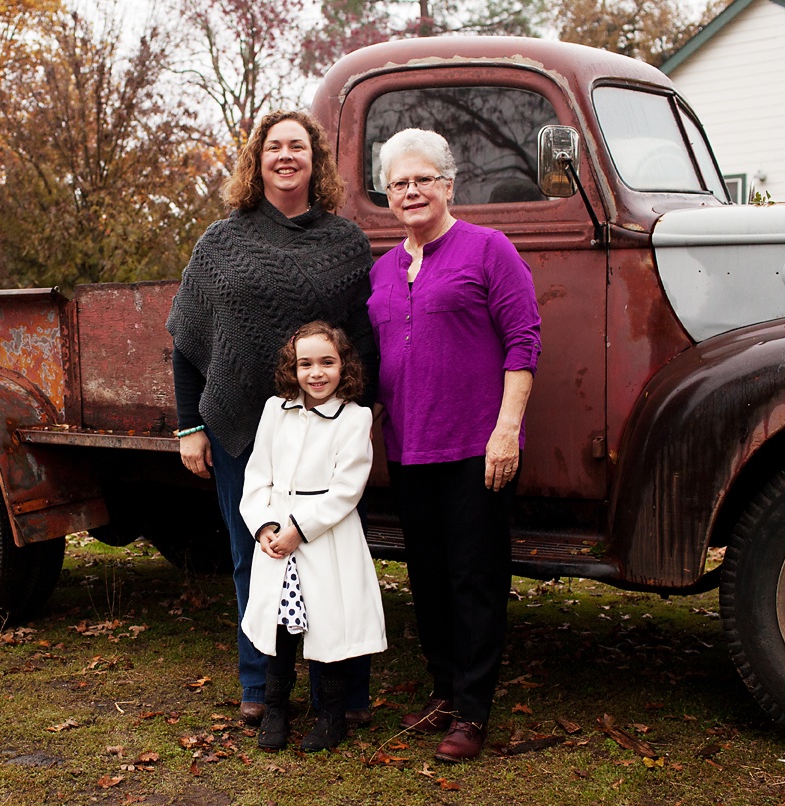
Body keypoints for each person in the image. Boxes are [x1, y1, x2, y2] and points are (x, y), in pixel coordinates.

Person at [167, 111, 379, 727]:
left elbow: (363, 340)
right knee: (252, 555)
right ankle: (261, 687)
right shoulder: (222, 241)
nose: (286, 156)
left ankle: (342, 696)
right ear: (256, 160)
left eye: (299, 146)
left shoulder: (345, 242)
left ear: (316, 160)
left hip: (326, 433)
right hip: (245, 432)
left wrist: (362, 420)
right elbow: (187, 341)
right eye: (274, 146)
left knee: (335, 560)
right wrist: (189, 426)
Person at [368, 128, 541, 763]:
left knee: (476, 579)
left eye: (422, 180)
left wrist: (507, 430)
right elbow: (382, 358)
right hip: (409, 448)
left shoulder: (488, 249)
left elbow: (524, 341)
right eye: (398, 184)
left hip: (476, 447)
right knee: (429, 578)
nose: (411, 191)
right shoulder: (383, 270)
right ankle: (444, 692)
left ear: (447, 185)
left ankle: (472, 711)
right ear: (388, 196)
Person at [239, 322, 387, 751]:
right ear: (293, 368)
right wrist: (267, 527)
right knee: (280, 626)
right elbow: (257, 477)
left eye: (327, 362)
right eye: (306, 364)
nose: (316, 373)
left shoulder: (354, 418)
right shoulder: (274, 411)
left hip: (326, 538)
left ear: (344, 367)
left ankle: (332, 716)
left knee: (330, 624)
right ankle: (277, 710)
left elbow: (346, 489)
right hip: (275, 538)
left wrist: (298, 531)